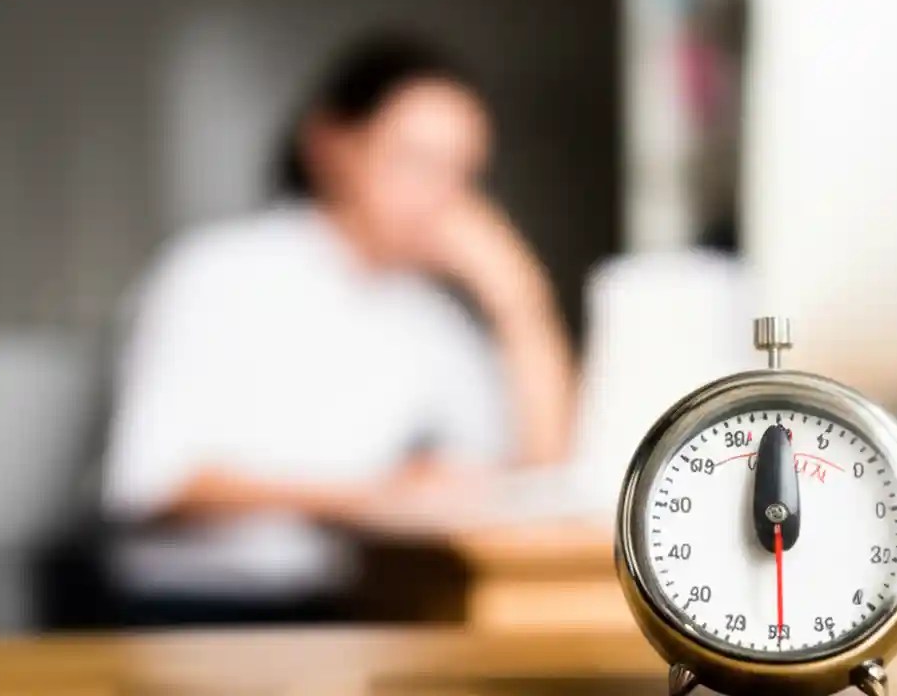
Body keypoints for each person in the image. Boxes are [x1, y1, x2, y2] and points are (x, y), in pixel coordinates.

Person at [101, 32, 576, 624]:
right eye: (418, 161)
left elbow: (538, 478)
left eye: (462, 174)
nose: (442, 197)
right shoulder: (216, 272)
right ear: (331, 146)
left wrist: (521, 302)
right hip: (202, 610)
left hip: (356, 607)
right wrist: (371, 498)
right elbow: (149, 484)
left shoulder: (430, 318)